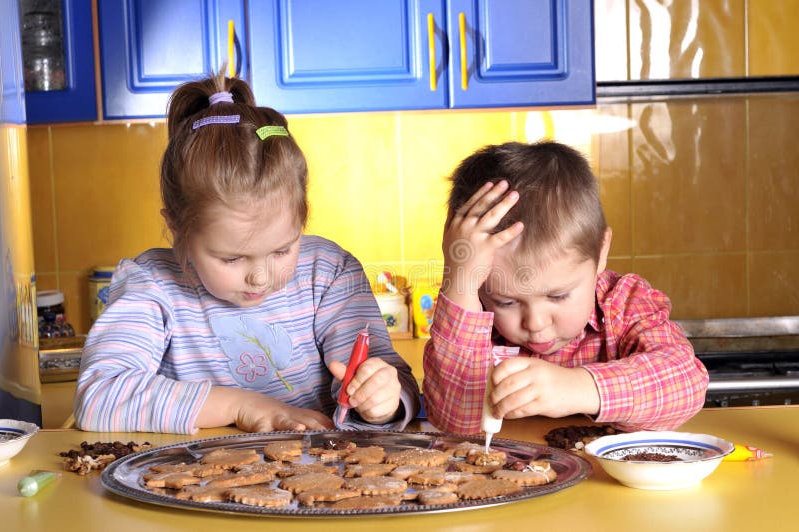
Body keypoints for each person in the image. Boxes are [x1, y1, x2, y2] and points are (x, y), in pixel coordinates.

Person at [74, 73, 420, 434]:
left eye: (282, 249)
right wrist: (243, 405)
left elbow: (394, 383)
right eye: (232, 258)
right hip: (195, 486)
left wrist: (382, 402)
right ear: (179, 229)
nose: (260, 276)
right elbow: (100, 394)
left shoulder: (330, 273)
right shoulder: (152, 284)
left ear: (302, 217)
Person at [422, 141, 708, 434]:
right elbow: (455, 423)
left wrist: (578, 387)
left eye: (558, 296)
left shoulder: (626, 304)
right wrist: (460, 285)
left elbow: (686, 383)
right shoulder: (473, 311)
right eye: (506, 302)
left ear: (601, 252)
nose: (535, 323)